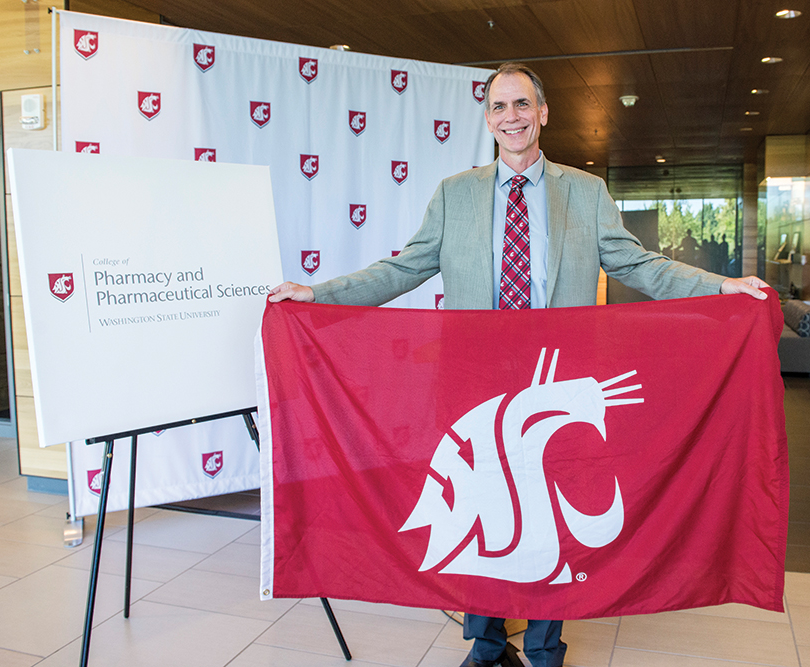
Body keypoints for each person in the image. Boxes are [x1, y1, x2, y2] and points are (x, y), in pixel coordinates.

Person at [269, 62, 768, 667]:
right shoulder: (455, 193)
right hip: (472, 383)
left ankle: (544, 644)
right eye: (500, 107)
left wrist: (719, 289)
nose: (512, 117)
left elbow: (640, 266)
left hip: (556, 381)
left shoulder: (584, 192)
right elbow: (401, 270)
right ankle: (484, 643)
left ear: (544, 112)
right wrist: (319, 295)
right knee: (482, 508)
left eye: (522, 105)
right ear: (487, 118)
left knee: (549, 510)